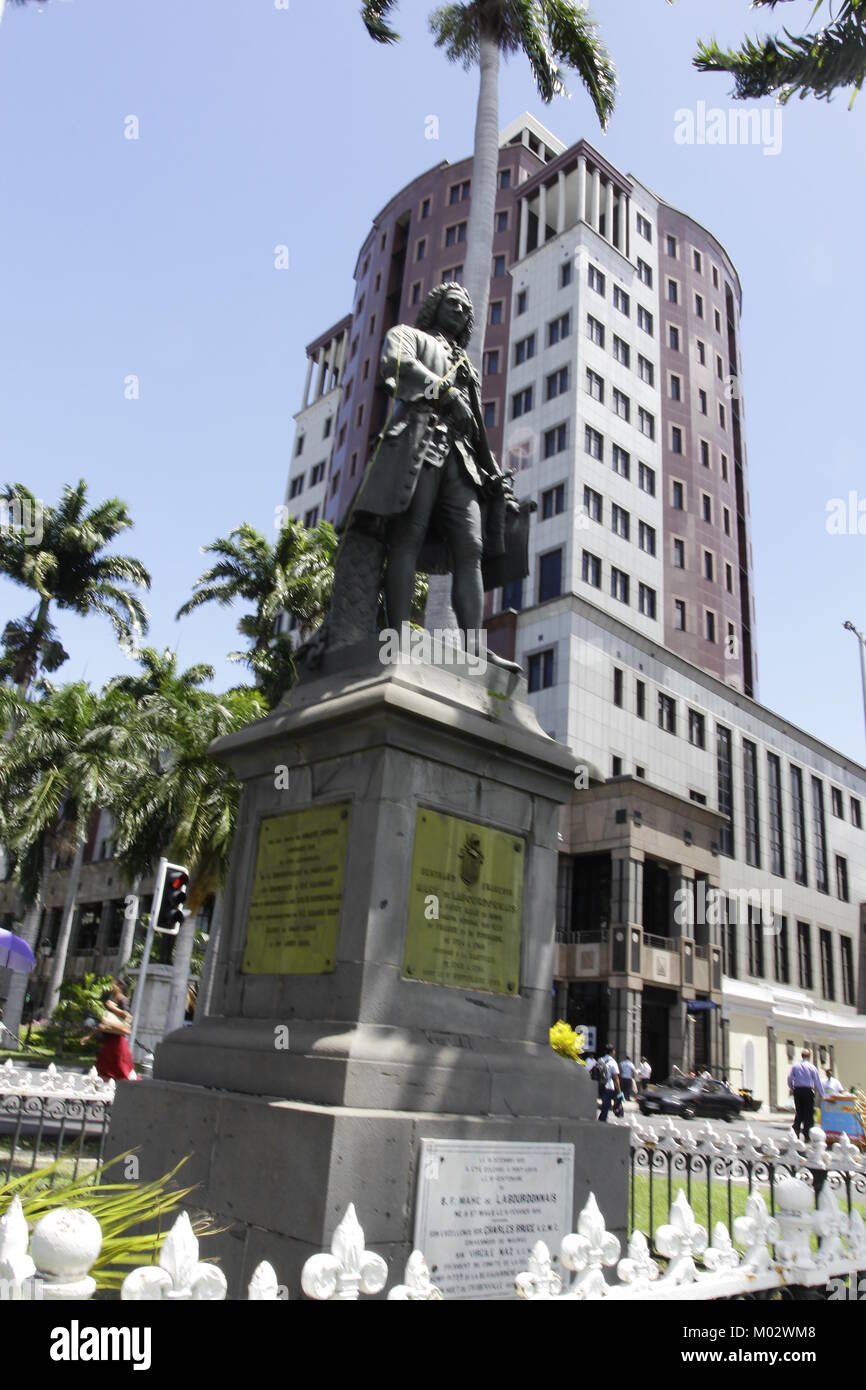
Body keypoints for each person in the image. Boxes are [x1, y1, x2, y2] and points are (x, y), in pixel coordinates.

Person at [81, 977, 136, 1081]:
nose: (111, 987)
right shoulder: (112, 1000)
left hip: (118, 1043)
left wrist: (113, 1008)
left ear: (119, 987)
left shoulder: (122, 1000)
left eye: (114, 984)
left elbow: (127, 1016)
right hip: (109, 1041)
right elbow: (104, 1022)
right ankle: (98, 1095)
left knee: (121, 1073)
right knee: (101, 1071)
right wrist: (89, 1036)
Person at [787, 1048, 823, 1139]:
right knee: (808, 1112)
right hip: (808, 1091)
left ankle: (796, 1130)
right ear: (809, 1056)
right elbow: (817, 1081)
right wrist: (822, 1094)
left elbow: (790, 1078)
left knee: (799, 1111)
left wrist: (792, 1087)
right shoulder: (812, 1067)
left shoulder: (795, 1066)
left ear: (801, 1056)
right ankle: (807, 1134)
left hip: (798, 1090)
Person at [597, 1045, 621, 1123]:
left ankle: (602, 1120)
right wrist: (619, 1090)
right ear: (612, 1052)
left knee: (605, 1104)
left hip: (600, 1085)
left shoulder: (600, 1060)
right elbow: (616, 1078)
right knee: (606, 1105)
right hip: (608, 1086)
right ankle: (601, 1121)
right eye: (614, 1050)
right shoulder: (613, 1062)